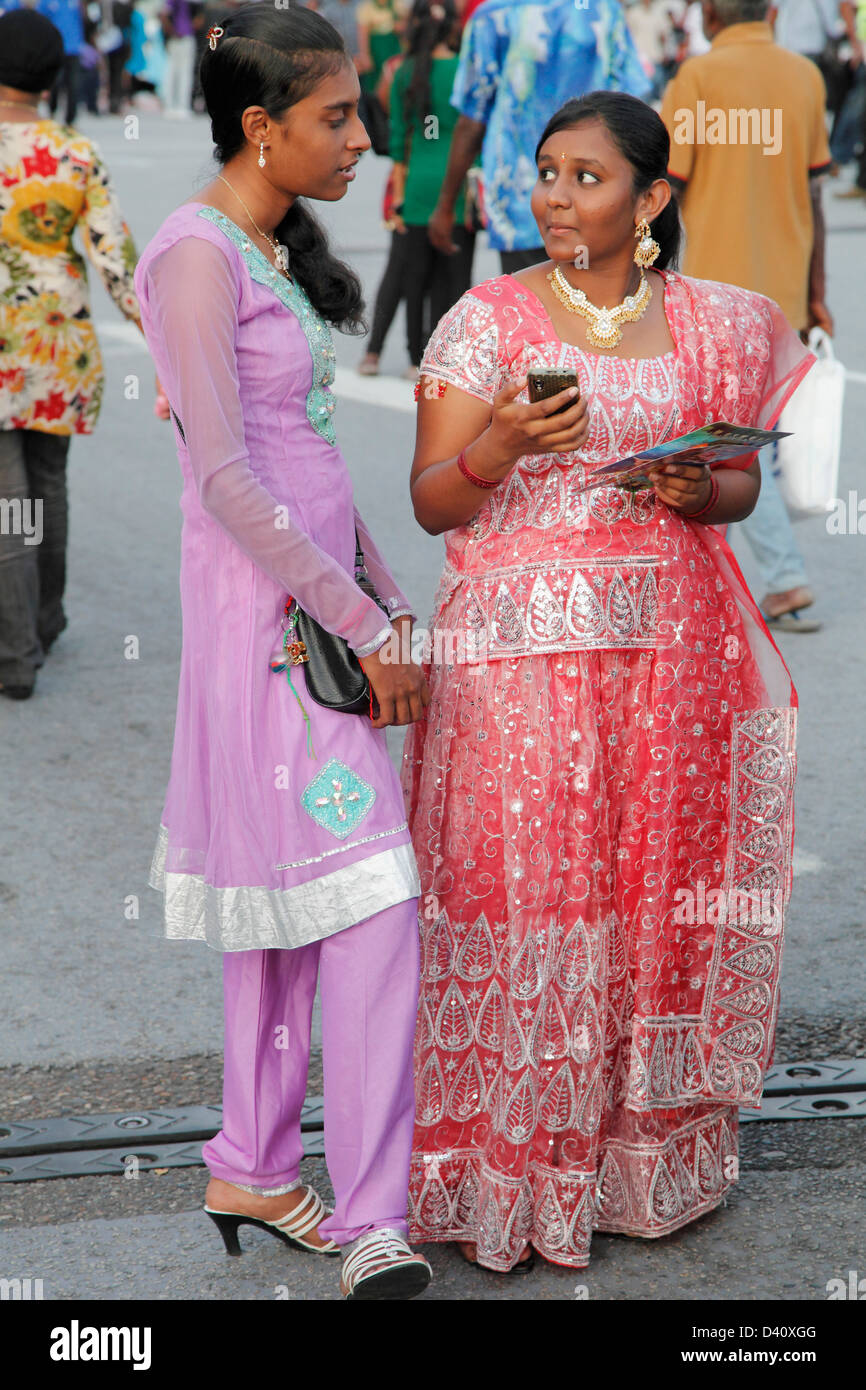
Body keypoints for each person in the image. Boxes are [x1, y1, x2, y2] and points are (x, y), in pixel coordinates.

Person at [400, 90, 814, 1272]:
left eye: (586, 177)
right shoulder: (486, 320)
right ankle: (506, 1171)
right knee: (531, 897)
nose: (555, 195)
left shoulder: (717, 324)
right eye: (545, 173)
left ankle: (645, 1162)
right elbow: (432, 497)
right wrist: (501, 448)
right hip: (520, 671)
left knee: (651, 898)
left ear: (651, 199)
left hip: (669, 666)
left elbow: (736, 484)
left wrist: (701, 492)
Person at [133, 2, 433, 1300]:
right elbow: (225, 480)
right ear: (259, 128)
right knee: (369, 901)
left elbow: (307, 462)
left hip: (318, 621)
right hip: (271, 646)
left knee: (290, 909)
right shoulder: (194, 256)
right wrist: (362, 624)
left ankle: (254, 1163)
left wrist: (388, 597)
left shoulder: (258, 246)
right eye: (336, 118)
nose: (363, 138)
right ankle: (371, 1214)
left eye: (359, 111)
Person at [660, 0, 832, 633]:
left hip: (711, 297)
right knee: (736, 442)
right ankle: (731, 585)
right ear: (776, 10)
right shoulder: (805, 76)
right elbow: (813, 193)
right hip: (781, 293)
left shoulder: (697, 80)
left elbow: (664, 194)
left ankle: (782, 578)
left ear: (707, 12)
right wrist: (818, 292)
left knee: (722, 446)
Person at [0, 8, 142, 701]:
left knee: (7, 503)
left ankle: (15, 656)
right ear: (53, 77)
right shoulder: (75, 152)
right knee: (47, 485)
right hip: (59, 349)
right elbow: (117, 263)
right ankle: (46, 620)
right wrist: (169, 343)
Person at [428, 0, 651, 273]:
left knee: (528, 305)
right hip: (595, 196)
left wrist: (445, 204)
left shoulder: (494, 14)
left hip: (521, 199)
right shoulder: (603, 9)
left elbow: (472, 121)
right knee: (593, 303)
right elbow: (632, 106)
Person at [388, 0, 476, 378]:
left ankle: (413, 358)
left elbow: (396, 140)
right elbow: (474, 131)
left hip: (418, 184)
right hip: (455, 187)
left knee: (415, 278)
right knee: (454, 279)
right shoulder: (463, 70)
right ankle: (446, 357)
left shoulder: (405, 70)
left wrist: (398, 190)